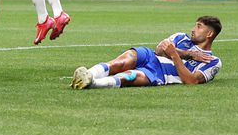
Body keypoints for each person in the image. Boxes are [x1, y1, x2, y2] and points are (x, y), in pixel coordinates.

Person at [71, 16, 222, 89]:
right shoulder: (180, 37)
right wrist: (187, 54)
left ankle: (92, 83)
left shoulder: (213, 61)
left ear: (209, 34)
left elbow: (191, 81)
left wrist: (175, 55)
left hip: (160, 73)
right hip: (150, 55)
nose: (193, 29)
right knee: (124, 60)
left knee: (129, 76)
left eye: (199, 27)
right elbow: (159, 49)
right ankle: (88, 74)